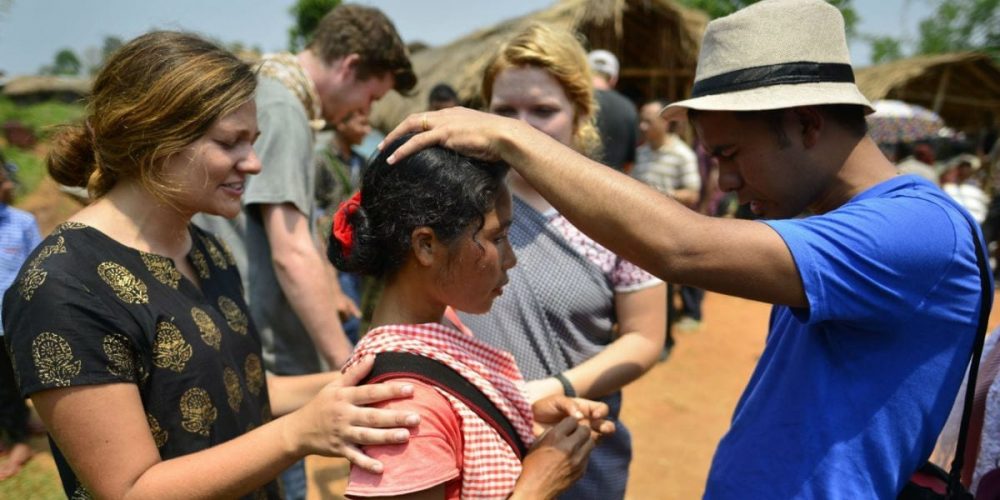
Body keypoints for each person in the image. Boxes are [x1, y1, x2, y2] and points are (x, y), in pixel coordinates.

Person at [382, 0, 987, 497]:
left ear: (806, 123)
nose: (722, 182)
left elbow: (681, 248)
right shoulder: (837, 224)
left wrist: (510, 136)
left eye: (729, 154)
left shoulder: (916, 230)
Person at [1, 31, 422, 500]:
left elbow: (248, 387)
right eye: (231, 143)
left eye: (253, 141)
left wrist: (380, 374)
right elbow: (129, 490)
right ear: (153, 139)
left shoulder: (204, 249)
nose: (254, 163)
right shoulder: (62, 287)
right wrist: (297, 434)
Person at [192, 6, 416, 496]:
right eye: (370, 94)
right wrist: (350, 369)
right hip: (261, 342)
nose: (361, 110)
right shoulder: (283, 110)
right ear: (349, 67)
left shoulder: (261, 91)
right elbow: (290, 247)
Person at [329, 134, 615, 499]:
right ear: (426, 245)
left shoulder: (437, 331)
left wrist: (519, 415)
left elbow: (452, 414)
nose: (510, 258)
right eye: (497, 239)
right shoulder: (404, 407)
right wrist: (537, 487)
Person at [456, 24, 666, 500]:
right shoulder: (456, 206)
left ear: (581, 113)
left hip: (576, 450)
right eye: (505, 111)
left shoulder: (621, 215)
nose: (519, 128)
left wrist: (552, 390)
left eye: (543, 111)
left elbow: (644, 339)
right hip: (467, 445)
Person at [633, 99, 706, 335]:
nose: (643, 127)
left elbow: (693, 193)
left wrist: (660, 196)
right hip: (644, 228)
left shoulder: (682, 155)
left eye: (649, 121)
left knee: (676, 277)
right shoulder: (641, 153)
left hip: (672, 230)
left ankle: (673, 327)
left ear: (666, 124)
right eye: (641, 120)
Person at [315, 110, 371, 344]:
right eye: (361, 123)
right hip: (331, 249)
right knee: (347, 315)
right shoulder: (321, 160)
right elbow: (313, 209)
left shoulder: (362, 161)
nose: (367, 130)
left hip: (356, 247)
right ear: (341, 123)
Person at [0, 155, 40, 480]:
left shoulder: (21, 222)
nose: (8, 185)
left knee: (12, 384)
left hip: (9, 325)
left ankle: (20, 442)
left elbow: (37, 272)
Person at [588, 49, 638, 173]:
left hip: (573, 184)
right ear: (614, 79)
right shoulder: (628, 108)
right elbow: (629, 162)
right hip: (613, 186)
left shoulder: (573, 101)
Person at [943, 153, 989, 225]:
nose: (965, 169)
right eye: (963, 167)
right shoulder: (948, 187)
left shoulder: (977, 187)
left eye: (968, 167)